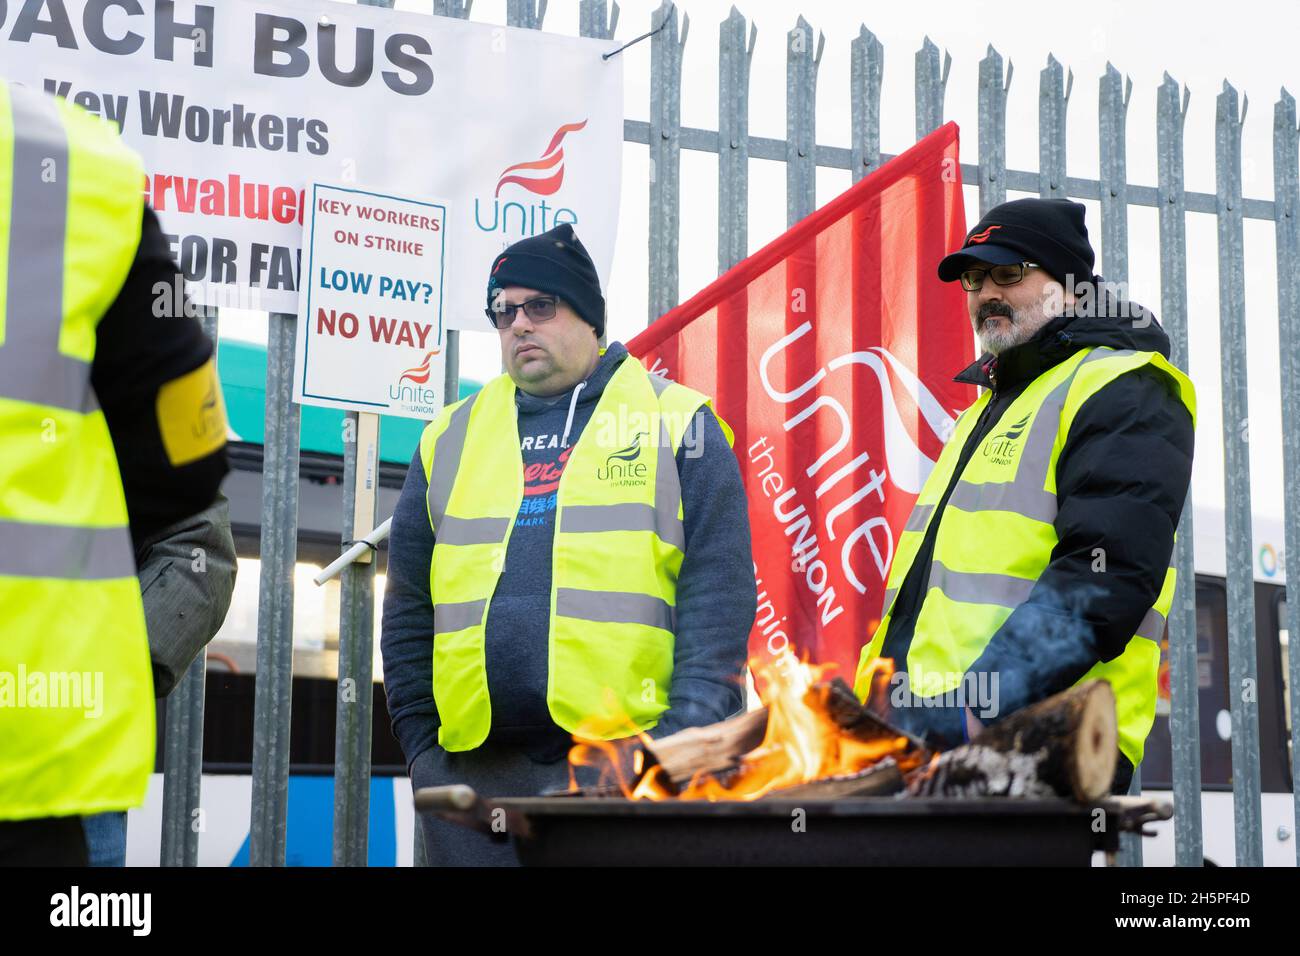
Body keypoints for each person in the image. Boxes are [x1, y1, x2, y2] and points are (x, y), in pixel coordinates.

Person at [382, 223, 756, 865]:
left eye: (540, 306)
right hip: (472, 782)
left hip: (631, 774)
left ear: (589, 316)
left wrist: (676, 747)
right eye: (503, 312)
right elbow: (409, 608)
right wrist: (423, 753)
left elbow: (718, 606)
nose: (518, 324)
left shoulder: (679, 424)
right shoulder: (449, 437)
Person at [853, 198, 1195, 794]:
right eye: (973, 277)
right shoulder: (989, 407)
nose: (986, 291)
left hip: (1032, 747)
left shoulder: (1124, 384)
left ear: (1069, 287)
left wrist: (976, 708)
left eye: (1009, 273)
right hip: (921, 739)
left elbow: (1107, 576)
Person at [0, 80, 230, 865]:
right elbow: (189, 470)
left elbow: (200, 543)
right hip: (43, 749)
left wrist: (125, 659)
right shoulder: (77, 167)